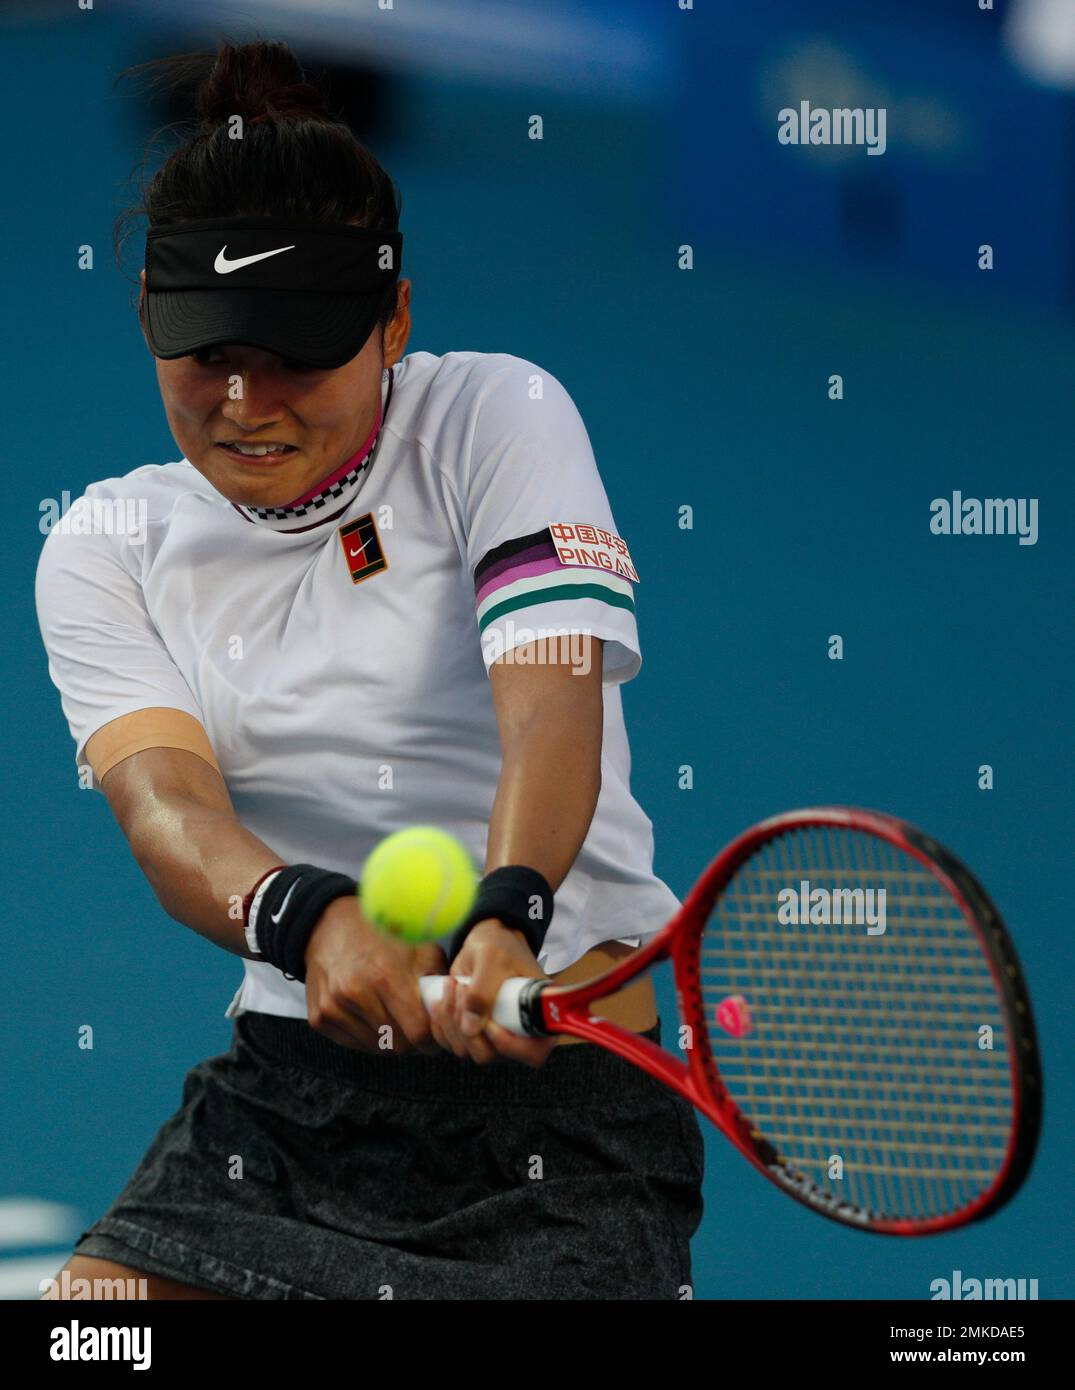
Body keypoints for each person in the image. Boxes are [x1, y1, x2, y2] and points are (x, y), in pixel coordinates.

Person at [35, 40, 704, 1300]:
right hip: (290, 1102)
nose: (250, 400)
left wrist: (511, 908)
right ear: (146, 318)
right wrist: (308, 916)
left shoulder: (497, 418)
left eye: (299, 352)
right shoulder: (104, 543)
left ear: (395, 319)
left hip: (557, 1104)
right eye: (210, 351)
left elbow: (549, 707)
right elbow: (167, 808)